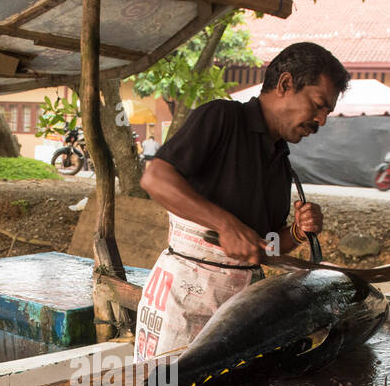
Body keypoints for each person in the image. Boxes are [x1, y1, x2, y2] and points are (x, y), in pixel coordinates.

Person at [135, 42, 348, 362]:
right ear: (285, 84)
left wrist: (297, 233)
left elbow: (268, 248)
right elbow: (155, 178)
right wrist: (224, 223)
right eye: (318, 105)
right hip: (184, 299)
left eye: (327, 112)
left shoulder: (281, 162)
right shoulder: (222, 118)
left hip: (240, 308)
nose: (321, 120)